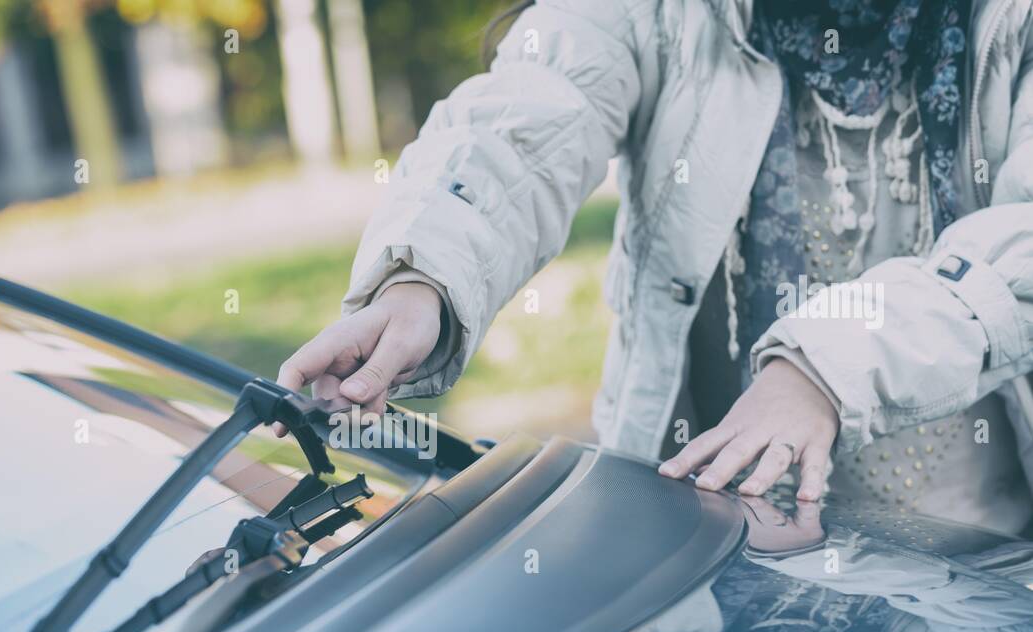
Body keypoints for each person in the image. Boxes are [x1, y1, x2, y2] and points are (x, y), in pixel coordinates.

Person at [276, 0, 1033, 534]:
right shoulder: (657, 11)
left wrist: (821, 369)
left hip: (967, 569)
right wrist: (422, 276)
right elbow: (521, 120)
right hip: (707, 552)